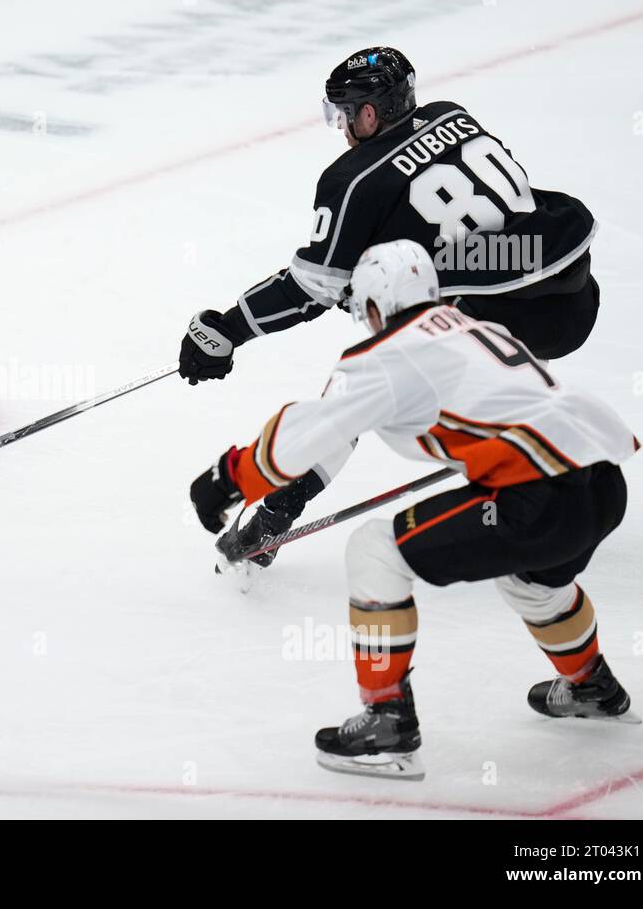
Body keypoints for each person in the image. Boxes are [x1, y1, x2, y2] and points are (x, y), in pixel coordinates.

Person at [192, 239, 638, 780]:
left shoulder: (388, 353)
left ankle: (387, 724)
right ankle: (590, 683)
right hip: (603, 483)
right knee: (533, 582)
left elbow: (317, 427)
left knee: (376, 551)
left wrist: (228, 478)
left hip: (535, 497)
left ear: (373, 303)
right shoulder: (477, 328)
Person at [182, 46, 601, 564]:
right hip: (574, 297)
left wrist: (228, 330)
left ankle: (274, 517)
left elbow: (311, 287)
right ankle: (535, 432)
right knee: (412, 305)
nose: (340, 126)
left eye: (342, 113)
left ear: (369, 113)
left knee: (369, 378)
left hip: (498, 325)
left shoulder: (351, 179)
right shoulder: (453, 115)